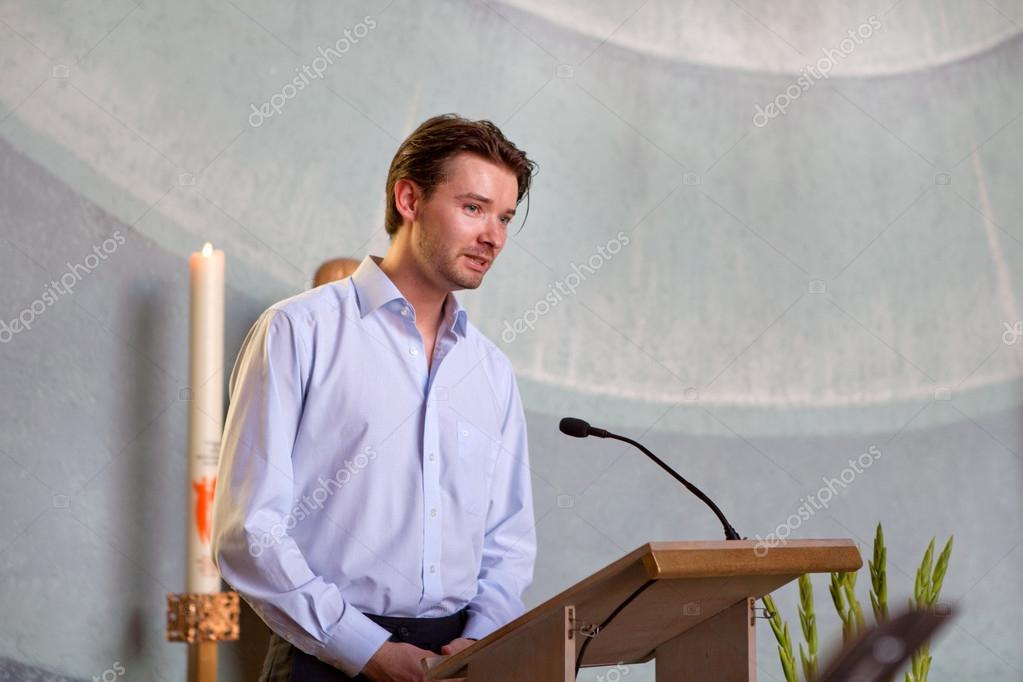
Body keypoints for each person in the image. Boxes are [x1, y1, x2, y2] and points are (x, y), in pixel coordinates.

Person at [210, 114, 538, 682]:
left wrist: (479, 641)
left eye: (505, 217)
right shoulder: (298, 331)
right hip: (322, 659)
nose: (495, 237)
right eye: (474, 208)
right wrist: (367, 650)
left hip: (457, 665)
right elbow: (249, 531)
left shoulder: (492, 370)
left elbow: (507, 539)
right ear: (409, 199)